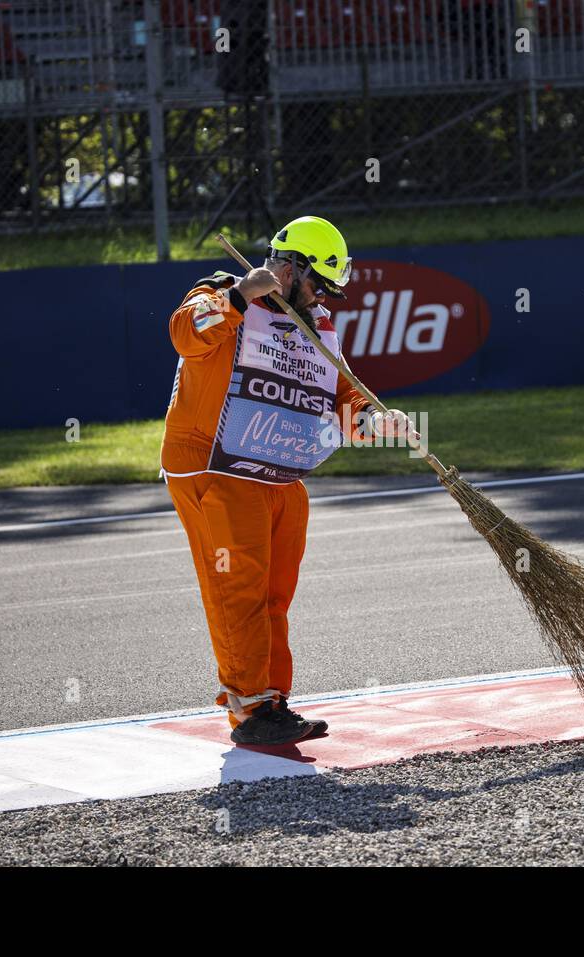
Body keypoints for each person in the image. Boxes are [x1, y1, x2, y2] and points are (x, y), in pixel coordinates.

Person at [160, 215, 417, 746]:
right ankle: (250, 708)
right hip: (217, 468)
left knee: (275, 595)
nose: (322, 298)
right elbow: (185, 334)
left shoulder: (317, 326)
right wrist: (237, 298)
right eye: (318, 284)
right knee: (240, 591)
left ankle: (272, 700)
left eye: (329, 290)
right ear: (291, 266)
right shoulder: (220, 291)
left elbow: (342, 402)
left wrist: (377, 423)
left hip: (281, 474)